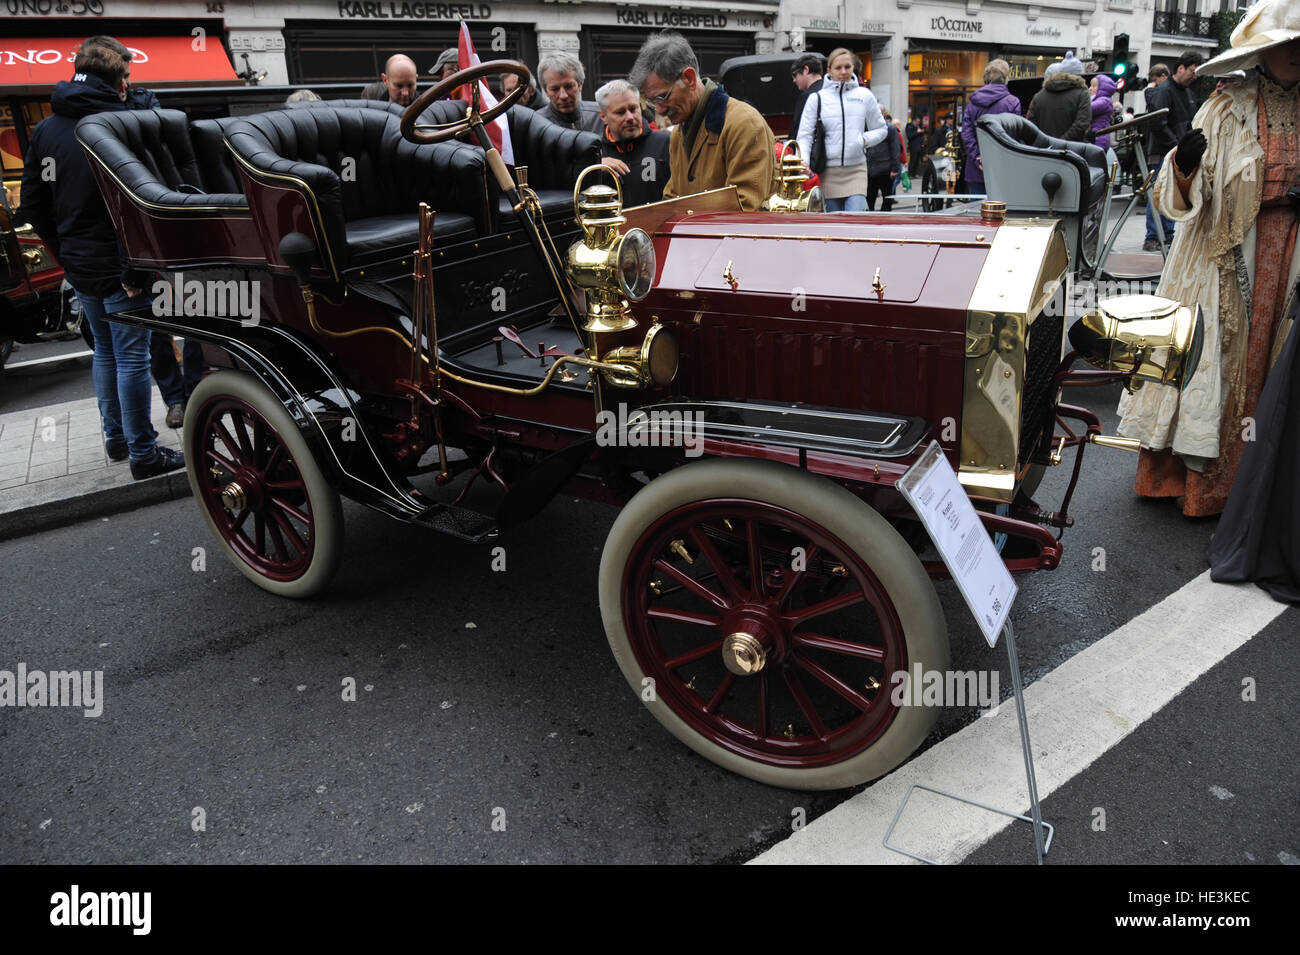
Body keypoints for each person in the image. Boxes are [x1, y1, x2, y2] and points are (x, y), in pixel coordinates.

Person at [1117, 1, 1300, 520]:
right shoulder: (1224, 107)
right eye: (1285, 43)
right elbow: (1178, 198)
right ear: (1262, 52)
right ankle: (1199, 485)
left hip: (1290, 255)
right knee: (1213, 361)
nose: (1295, 54)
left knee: (1276, 364)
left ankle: (1266, 484)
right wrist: (1185, 168)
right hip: (1224, 258)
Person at [18, 36, 184, 480]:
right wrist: (133, 265)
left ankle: (116, 439)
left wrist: (66, 250)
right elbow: (135, 201)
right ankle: (144, 454)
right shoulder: (114, 124)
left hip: (82, 263)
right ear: (117, 80)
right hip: (120, 263)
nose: (130, 84)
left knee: (106, 354)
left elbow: (32, 205)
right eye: (126, 76)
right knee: (132, 358)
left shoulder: (47, 129)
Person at [630, 31, 775, 212]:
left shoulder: (744, 124)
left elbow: (744, 212)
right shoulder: (678, 133)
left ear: (689, 79)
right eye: (652, 102)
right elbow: (671, 199)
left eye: (662, 97)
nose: (659, 110)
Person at [794, 48, 889, 212]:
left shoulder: (864, 95)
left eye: (847, 67)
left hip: (856, 169)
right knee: (834, 225)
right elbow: (805, 136)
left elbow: (881, 129)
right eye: (838, 68)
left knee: (855, 220)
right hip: (827, 171)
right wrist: (804, 163)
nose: (844, 72)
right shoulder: (817, 99)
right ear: (829, 70)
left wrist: (863, 140)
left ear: (853, 68)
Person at [1143, 52, 1204, 250]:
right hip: (1164, 152)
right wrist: (1177, 145)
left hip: (1178, 152)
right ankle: (1154, 236)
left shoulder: (1187, 93)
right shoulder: (1164, 91)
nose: (1194, 76)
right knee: (1160, 192)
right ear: (1181, 68)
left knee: (1172, 194)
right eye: (1193, 71)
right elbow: (1157, 123)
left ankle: (1166, 234)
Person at [596, 79, 670, 207]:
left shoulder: (666, 143)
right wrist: (595, 167)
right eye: (620, 112)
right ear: (603, 116)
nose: (630, 117)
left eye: (633, 109)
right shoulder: (594, 152)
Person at [961, 58, 1022, 195]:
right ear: (1006, 78)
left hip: (976, 169)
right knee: (1002, 211)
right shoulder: (1013, 102)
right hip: (1003, 169)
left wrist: (977, 158)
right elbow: (1013, 135)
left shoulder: (973, 104)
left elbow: (967, 134)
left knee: (976, 212)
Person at [1026, 53, 1091, 140]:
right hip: (1072, 150)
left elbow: (1030, 126)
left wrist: (1046, 143)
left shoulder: (1039, 96)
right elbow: (1082, 124)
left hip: (1043, 151)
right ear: (1079, 75)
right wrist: (1060, 143)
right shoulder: (1082, 94)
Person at [536, 51, 603, 133]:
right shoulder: (536, 124)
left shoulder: (601, 116)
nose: (563, 96)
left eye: (569, 86)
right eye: (555, 89)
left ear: (580, 84)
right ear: (545, 90)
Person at [865, 106, 901, 211]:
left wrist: (894, 168)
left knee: (887, 198)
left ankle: (884, 217)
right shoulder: (868, 127)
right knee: (870, 198)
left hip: (885, 169)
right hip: (871, 169)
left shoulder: (889, 128)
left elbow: (895, 149)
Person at [789, 53, 824, 138]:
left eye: (795, 75)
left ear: (806, 69)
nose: (794, 80)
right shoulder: (831, 91)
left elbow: (797, 128)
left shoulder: (807, 96)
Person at [1088, 72, 1118, 150]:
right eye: (1090, 85)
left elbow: (1090, 109)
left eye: (1093, 86)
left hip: (1099, 139)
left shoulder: (1105, 101)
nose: (1090, 88)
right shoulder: (1100, 100)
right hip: (1097, 137)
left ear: (1102, 88)